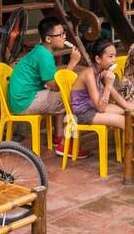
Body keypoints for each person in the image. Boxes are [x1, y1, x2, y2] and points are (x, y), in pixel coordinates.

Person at [69, 38, 134, 180]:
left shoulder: (101, 70)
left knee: (131, 113)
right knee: (124, 121)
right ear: (98, 59)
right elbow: (101, 107)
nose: (114, 59)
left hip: (94, 106)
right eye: (110, 56)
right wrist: (107, 85)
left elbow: (114, 95)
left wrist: (129, 107)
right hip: (84, 112)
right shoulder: (89, 73)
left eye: (115, 55)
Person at [6, 16, 84, 159]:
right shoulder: (44, 55)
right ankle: (67, 145)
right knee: (71, 98)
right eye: (60, 34)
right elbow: (55, 86)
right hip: (24, 101)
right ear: (48, 39)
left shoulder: (40, 50)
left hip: (23, 98)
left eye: (64, 33)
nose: (64, 37)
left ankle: (59, 138)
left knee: (64, 97)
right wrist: (72, 63)